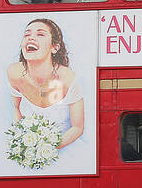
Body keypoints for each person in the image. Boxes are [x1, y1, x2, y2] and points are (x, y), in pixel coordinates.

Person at [6, 17, 85, 152]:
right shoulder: (14, 72)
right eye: (27, 34)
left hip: (66, 150)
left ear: (55, 48)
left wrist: (46, 149)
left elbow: (77, 127)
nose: (30, 38)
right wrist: (24, 143)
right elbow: (17, 109)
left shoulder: (68, 78)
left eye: (40, 34)